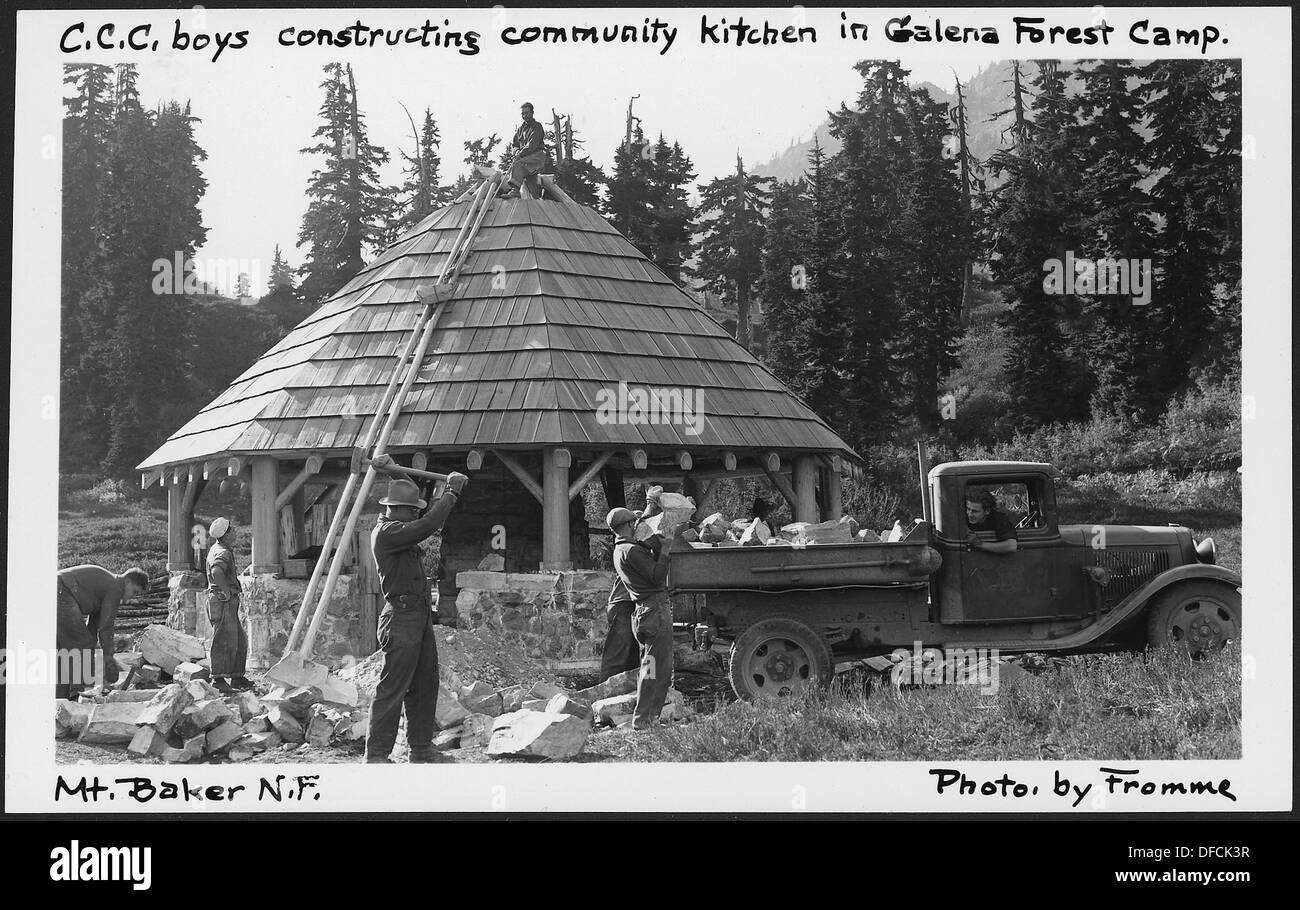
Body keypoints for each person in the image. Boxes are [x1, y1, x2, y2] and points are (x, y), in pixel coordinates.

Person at [364, 472, 469, 764]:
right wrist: (451, 494)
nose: (414, 515)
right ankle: (376, 756)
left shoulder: (397, 526)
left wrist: (394, 469)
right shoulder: (387, 532)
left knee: (425, 683)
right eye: (411, 510)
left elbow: (410, 490)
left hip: (418, 614)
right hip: (400, 616)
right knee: (393, 686)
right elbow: (427, 525)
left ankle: (420, 749)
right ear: (395, 509)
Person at [607, 504, 683, 731]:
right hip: (655, 611)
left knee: (649, 668)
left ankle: (643, 719)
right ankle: (645, 720)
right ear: (630, 525)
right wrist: (666, 550)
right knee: (659, 670)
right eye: (635, 522)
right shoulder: (633, 551)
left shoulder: (620, 550)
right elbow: (657, 576)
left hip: (643, 614)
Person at [56, 564, 149, 697]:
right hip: (61, 590)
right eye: (134, 592)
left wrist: (104, 660)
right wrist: (108, 659)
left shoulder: (106, 586)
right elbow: (106, 628)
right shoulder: (115, 587)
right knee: (81, 642)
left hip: (57, 588)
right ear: (127, 581)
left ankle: (60, 698)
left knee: (64, 648)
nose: (131, 598)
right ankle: (77, 691)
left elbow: (93, 630)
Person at [205, 517, 251, 693]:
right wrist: (225, 591)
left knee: (238, 639)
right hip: (223, 601)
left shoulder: (218, 549)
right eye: (232, 530)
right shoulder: (223, 552)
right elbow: (217, 571)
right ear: (226, 534)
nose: (235, 532)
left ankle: (237, 676)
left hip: (224, 602)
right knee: (224, 640)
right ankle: (219, 679)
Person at [499, 102, 546, 199]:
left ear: (532, 113)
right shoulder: (520, 129)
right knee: (531, 182)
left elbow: (532, 145)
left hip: (537, 157)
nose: (524, 116)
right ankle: (536, 199)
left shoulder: (537, 127)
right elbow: (515, 144)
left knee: (518, 164)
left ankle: (515, 191)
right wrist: (516, 151)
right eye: (522, 114)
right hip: (526, 159)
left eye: (526, 113)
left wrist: (520, 154)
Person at [964, 490, 1018, 555]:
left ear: (987, 511)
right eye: (968, 509)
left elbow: (1011, 546)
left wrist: (979, 544)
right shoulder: (963, 517)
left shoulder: (998, 518)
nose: (969, 514)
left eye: (975, 511)